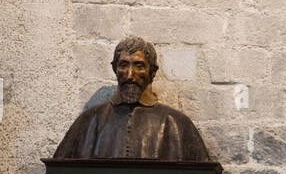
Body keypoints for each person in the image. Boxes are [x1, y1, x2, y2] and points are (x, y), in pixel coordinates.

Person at [53, 38, 211, 161]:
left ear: (152, 72)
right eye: (123, 65)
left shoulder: (177, 123)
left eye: (139, 66)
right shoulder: (89, 121)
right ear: (115, 69)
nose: (130, 74)